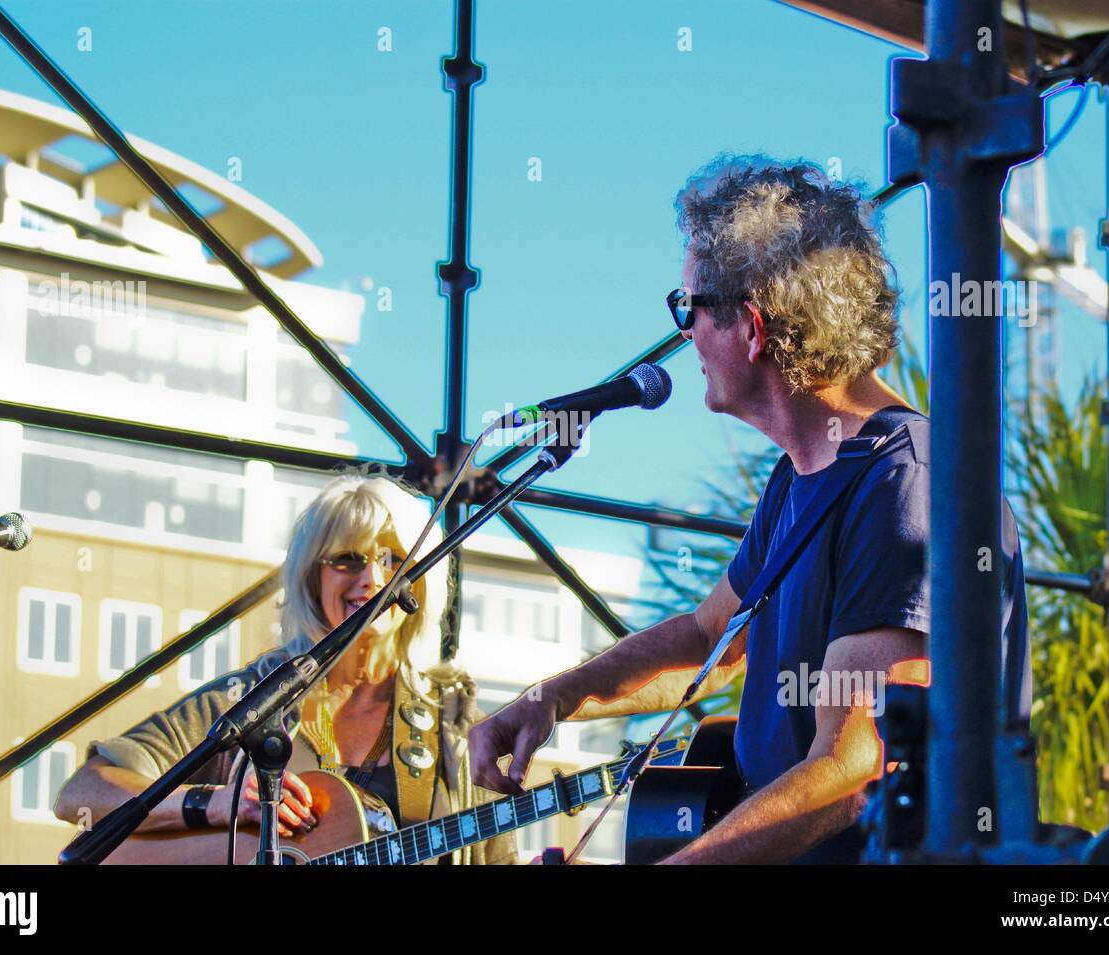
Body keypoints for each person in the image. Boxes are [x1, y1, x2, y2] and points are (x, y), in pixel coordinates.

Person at [468, 155, 1029, 864]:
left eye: (690, 307)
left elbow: (850, 769)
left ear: (754, 328)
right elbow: (710, 636)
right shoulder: (799, 476)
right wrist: (552, 697)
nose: (684, 335)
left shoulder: (906, 484)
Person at [55, 470, 517, 865]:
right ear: (312, 577)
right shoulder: (251, 697)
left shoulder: (460, 732)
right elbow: (81, 795)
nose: (372, 579)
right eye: (348, 558)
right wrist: (212, 805)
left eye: (394, 560)